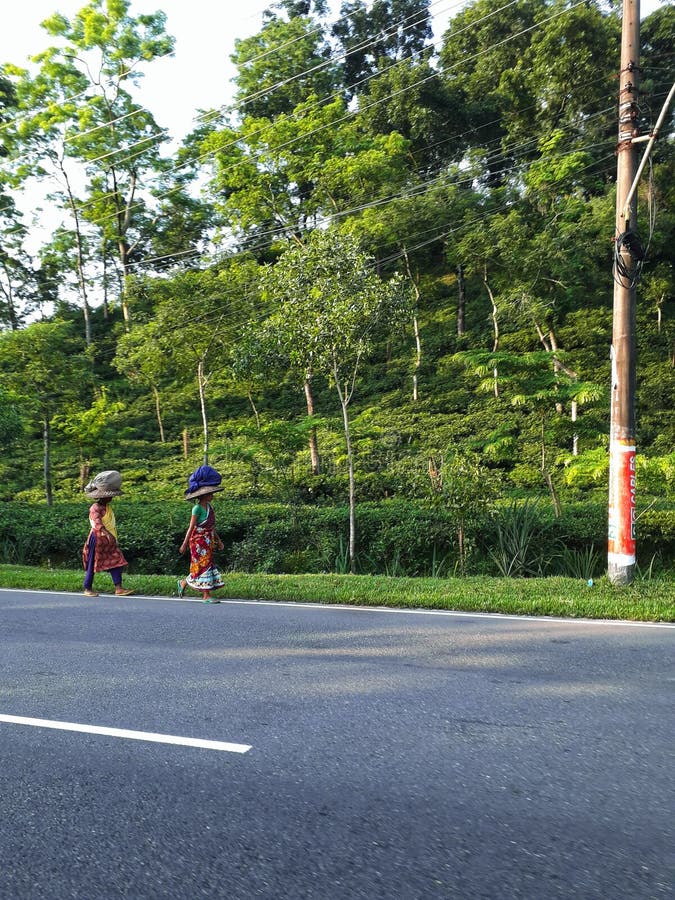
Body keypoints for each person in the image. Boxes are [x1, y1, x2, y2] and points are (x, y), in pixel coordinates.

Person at [178, 466, 225, 604]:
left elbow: (212, 527)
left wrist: (219, 541)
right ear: (203, 495)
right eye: (210, 493)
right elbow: (191, 527)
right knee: (203, 565)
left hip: (208, 540)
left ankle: (183, 583)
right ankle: (206, 595)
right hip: (197, 542)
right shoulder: (197, 508)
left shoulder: (210, 508)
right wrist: (184, 544)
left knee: (204, 565)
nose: (212, 495)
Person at [82, 470, 133, 598]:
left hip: (108, 541)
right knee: (92, 563)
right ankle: (87, 588)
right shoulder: (95, 508)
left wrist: (112, 536)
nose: (112, 497)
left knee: (117, 560)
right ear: (103, 496)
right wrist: (107, 534)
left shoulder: (107, 507)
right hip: (97, 539)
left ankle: (119, 588)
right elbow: (97, 523)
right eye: (110, 496)